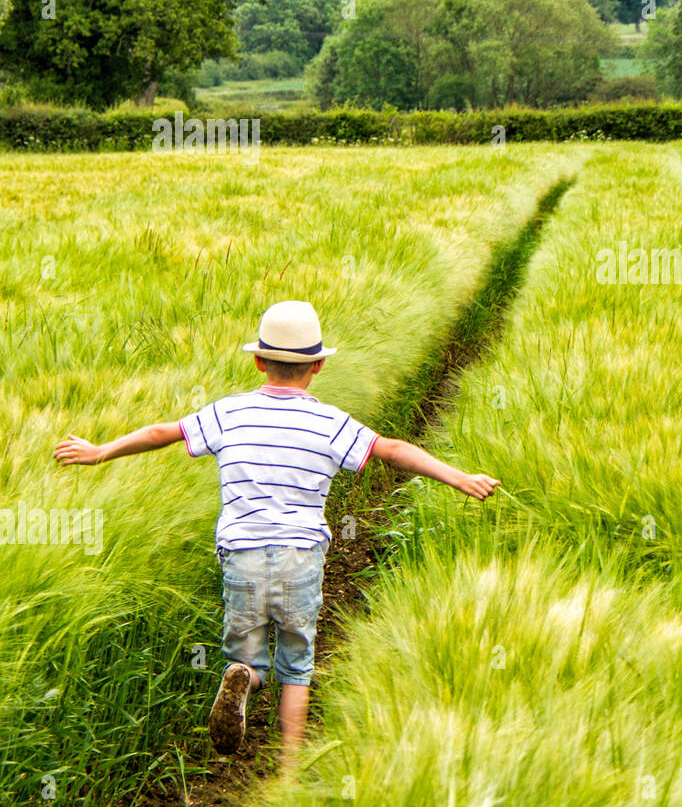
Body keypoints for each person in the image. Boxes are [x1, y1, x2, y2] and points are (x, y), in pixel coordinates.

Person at [54, 300, 500, 768]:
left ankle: (243, 677)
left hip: (242, 555)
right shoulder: (330, 422)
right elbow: (391, 449)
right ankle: (288, 769)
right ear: (318, 366)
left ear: (258, 361)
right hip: (300, 557)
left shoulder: (229, 412)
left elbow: (161, 432)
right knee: (296, 668)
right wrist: (458, 477)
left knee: (248, 658)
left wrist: (101, 451)